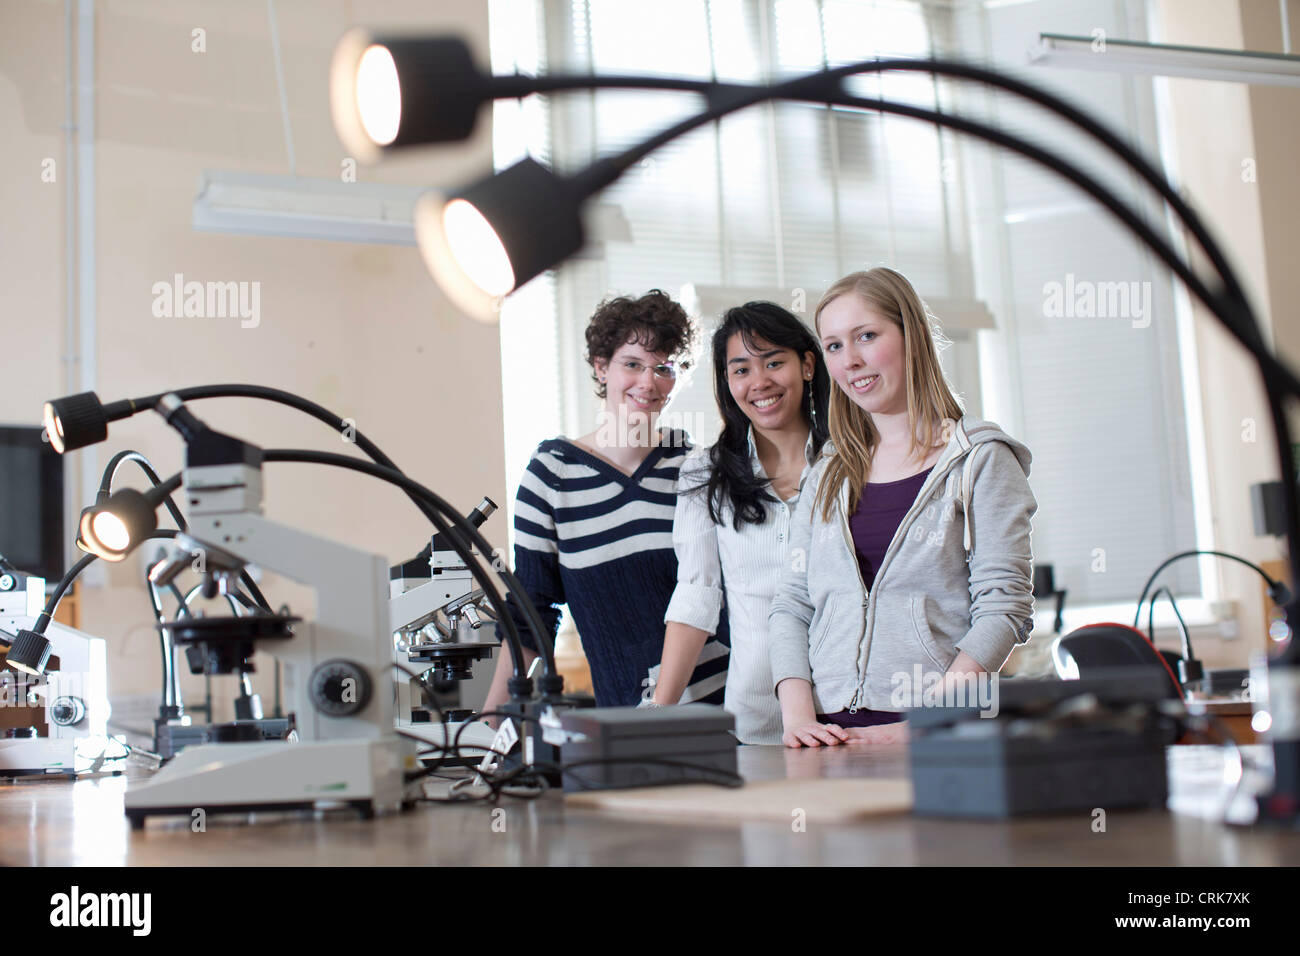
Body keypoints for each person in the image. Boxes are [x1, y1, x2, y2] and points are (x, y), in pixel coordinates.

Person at [768, 267, 1037, 748]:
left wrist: (927, 724)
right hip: (827, 737)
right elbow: (793, 601)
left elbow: (1004, 606)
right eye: (833, 346)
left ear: (911, 337)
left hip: (934, 735)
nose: (850, 360)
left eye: (866, 336)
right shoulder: (829, 470)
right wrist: (797, 718)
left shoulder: (980, 458)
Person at [481, 289, 729, 711]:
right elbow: (532, 611)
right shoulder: (552, 473)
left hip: (721, 704)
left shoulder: (694, 468)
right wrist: (489, 721)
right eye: (632, 364)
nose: (648, 382)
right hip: (624, 715)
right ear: (601, 368)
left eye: (664, 367)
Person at [644, 302, 830, 745]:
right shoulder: (704, 473)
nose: (759, 382)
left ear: (806, 365)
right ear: (727, 382)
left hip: (850, 707)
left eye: (773, 362)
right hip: (759, 717)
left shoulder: (853, 461)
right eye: (741, 369)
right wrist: (656, 713)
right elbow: (696, 597)